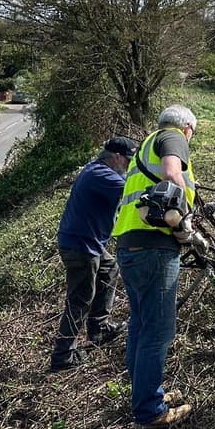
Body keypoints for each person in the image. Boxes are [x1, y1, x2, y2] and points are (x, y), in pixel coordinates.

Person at [112, 105, 200, 429]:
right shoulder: (173, 138)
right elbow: (172, 174)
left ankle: (145, 393)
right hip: (155, 247)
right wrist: (187, 222)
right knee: (159, 330)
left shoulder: (143, 146)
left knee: (140, 324)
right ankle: (149, 411)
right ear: (187, 127)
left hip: (129, 245)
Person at [49, 136, 137, 373]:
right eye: (128, 162)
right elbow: (132, 189)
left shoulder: (97, 170)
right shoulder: (101, 175)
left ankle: (100, 328)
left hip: (88, 243)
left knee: (109, 268)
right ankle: (63, 356)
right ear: (117, 158)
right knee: (80, 300)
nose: (128, 166)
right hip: (81, 247)